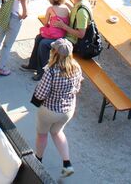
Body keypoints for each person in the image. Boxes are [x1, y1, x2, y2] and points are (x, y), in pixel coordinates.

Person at [31, 38, 81, 178]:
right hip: (67, 110)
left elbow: (41, 93)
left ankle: (38, 160)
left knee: (42, 134)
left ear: (54, 52)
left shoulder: (51, 71)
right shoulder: (76, 66)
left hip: (49, 110)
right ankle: (67, 164)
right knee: (57, 132)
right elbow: (77, 87)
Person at [23, 0, 92, 80]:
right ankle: (33, 64)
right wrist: (66, 4)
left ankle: (43, 73)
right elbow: (74, 13)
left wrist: (63, 26)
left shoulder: (82, 11)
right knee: (39, 38)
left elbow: (81, 34)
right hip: (65, 33)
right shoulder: (79, 3)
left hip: (72, 40)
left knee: (44, 44)